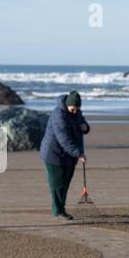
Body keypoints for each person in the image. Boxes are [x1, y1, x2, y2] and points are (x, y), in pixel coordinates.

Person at [39, 90, 91, 220]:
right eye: (73, 109)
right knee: (57, 184)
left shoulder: (77, 112)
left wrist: (85, 126)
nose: (75, 111)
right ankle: (58, 211)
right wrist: (78, 153)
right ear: (67, 105)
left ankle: (60, 209)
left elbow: (82, 122)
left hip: (69, 155)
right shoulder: (58, 116)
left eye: (77, 109)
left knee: (65, 182)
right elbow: (64, 139)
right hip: (53, 154)